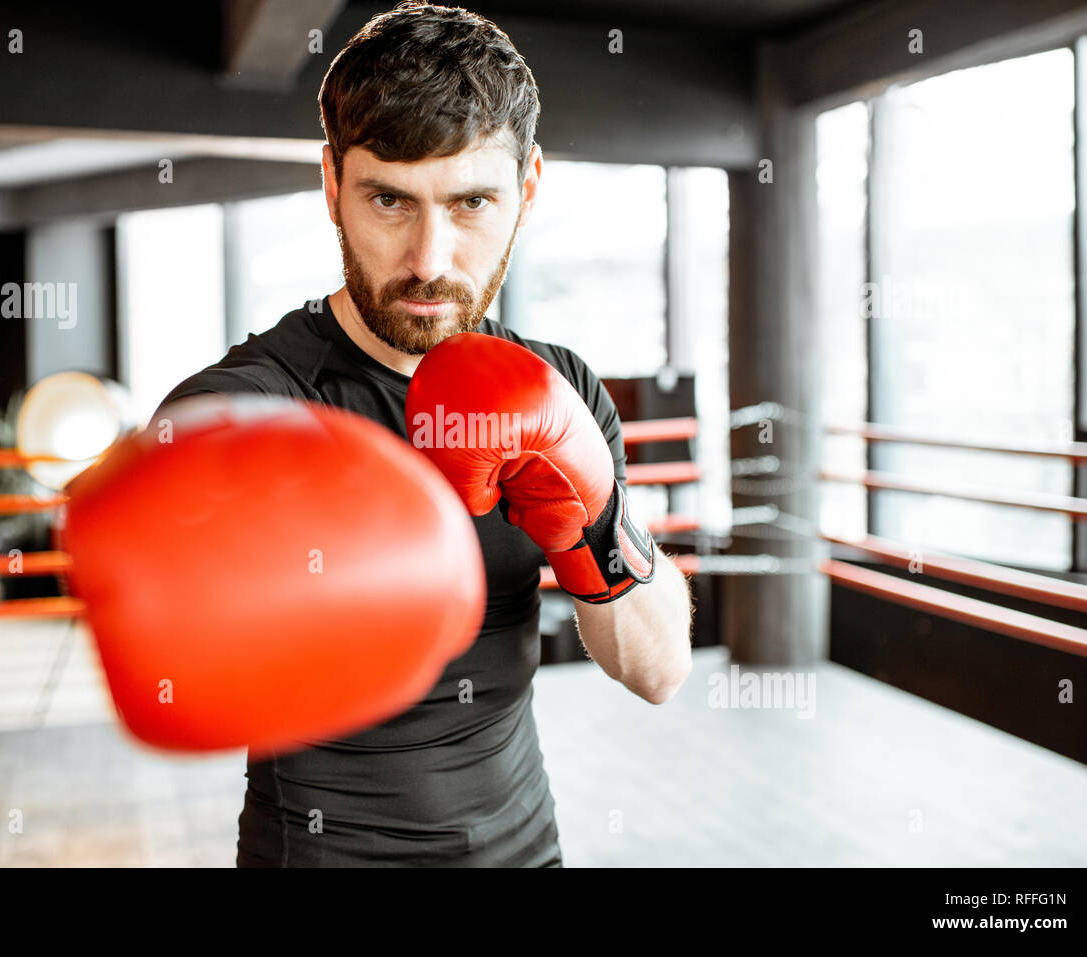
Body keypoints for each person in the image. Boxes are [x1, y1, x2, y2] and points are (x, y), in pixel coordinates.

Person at [155, 1, 693, 868]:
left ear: (527, 190)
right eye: (389, 200)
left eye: (472, 201)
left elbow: (658, 670)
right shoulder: (252, 408)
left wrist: (589, 526)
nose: (430, 258)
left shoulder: (560, 388)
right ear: (332, 185)